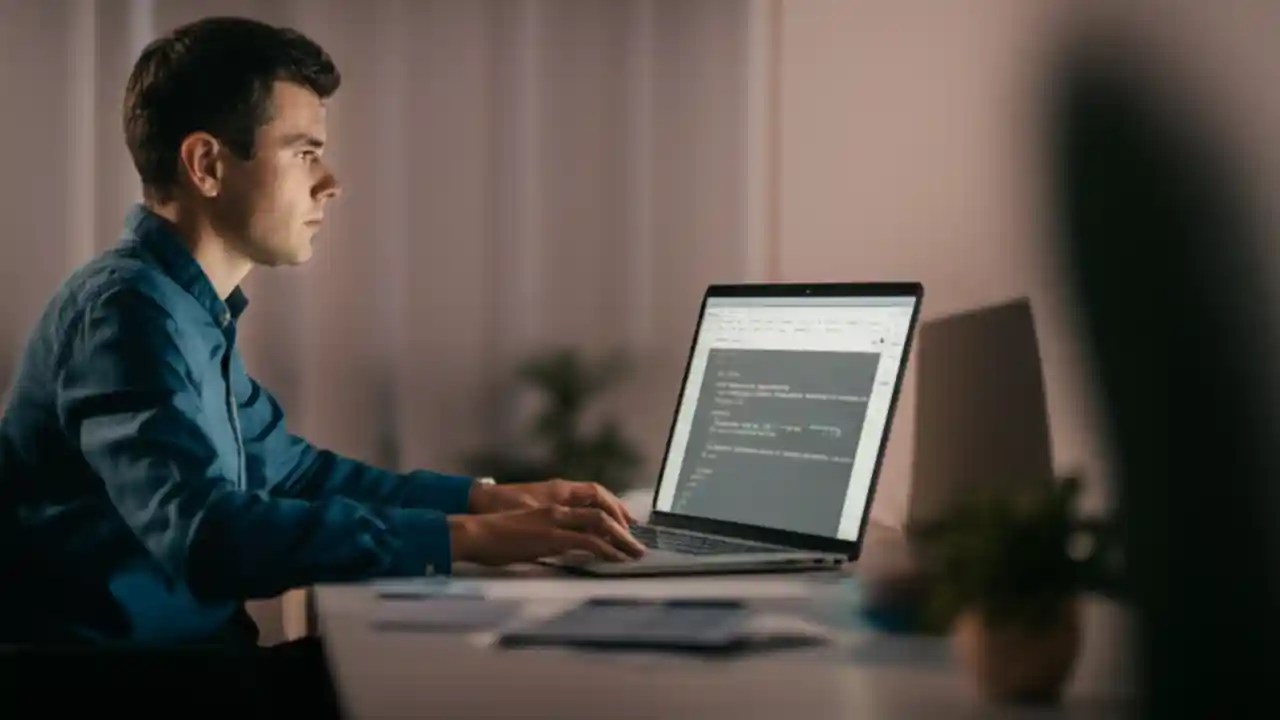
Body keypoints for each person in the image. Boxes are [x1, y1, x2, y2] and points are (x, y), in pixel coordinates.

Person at [0, 14, 643, 714]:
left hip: (182, 666)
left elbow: (294, 473)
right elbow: (206, 535)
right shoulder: (126, 315)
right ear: (208, 165)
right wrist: (471, 539)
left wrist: (487, 500)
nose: (330, 182)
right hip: (116, 687)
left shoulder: (182, 310)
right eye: (304, 153)